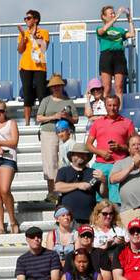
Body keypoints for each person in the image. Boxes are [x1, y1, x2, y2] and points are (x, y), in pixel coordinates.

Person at [84, 93, 134, 205]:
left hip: (119, 165)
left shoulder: (127, 123)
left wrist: (120, 147)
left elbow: (134, 146)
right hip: (100, 165)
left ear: (119, 106)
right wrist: (100, 152)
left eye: (115, 105)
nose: (112, 108)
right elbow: (88, 145)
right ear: (105, 106)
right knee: (99, 200)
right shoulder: (97, 123)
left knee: (116, 201)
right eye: (109, 105)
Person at [36, 74, 78, 204]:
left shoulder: (68, 101)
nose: (56, 88)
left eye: (58, 86)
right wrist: (54, 116)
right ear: (51, 88)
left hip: (66, 132)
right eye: (54, 86)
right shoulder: (46, 100)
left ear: (62, 86)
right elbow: (39, 118)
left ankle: (67, 189)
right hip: (49, 132)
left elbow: (76, 119)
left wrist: (66, 117)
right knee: (50, 162)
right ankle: (52, 192)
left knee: (67, 160)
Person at [17, 9, 49, 128]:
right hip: (25, 66)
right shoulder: (24, 33)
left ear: (36, 20)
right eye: (25, 18)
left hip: (39, 67)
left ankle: (42, 120)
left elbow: (43, 48)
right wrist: (23, 37)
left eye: (29, 18)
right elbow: (20, 50)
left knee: (41, 94)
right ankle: (27, 123)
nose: (26, 20)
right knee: (27, 94)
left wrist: (35, 37)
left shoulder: (44, 32)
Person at [96, 5, 134, 99]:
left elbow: (132, 34)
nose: (113, 15)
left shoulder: (120, 30)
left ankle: (119, 107)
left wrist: (130, 21)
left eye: (114, 13)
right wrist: (116, 17)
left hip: (119, 56)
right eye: (111, 14)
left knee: (119, 87)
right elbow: (103, 30)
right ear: (104, 17)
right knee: (107, 88)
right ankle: (105, 107)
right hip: (106, 56)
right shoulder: (99, 28)